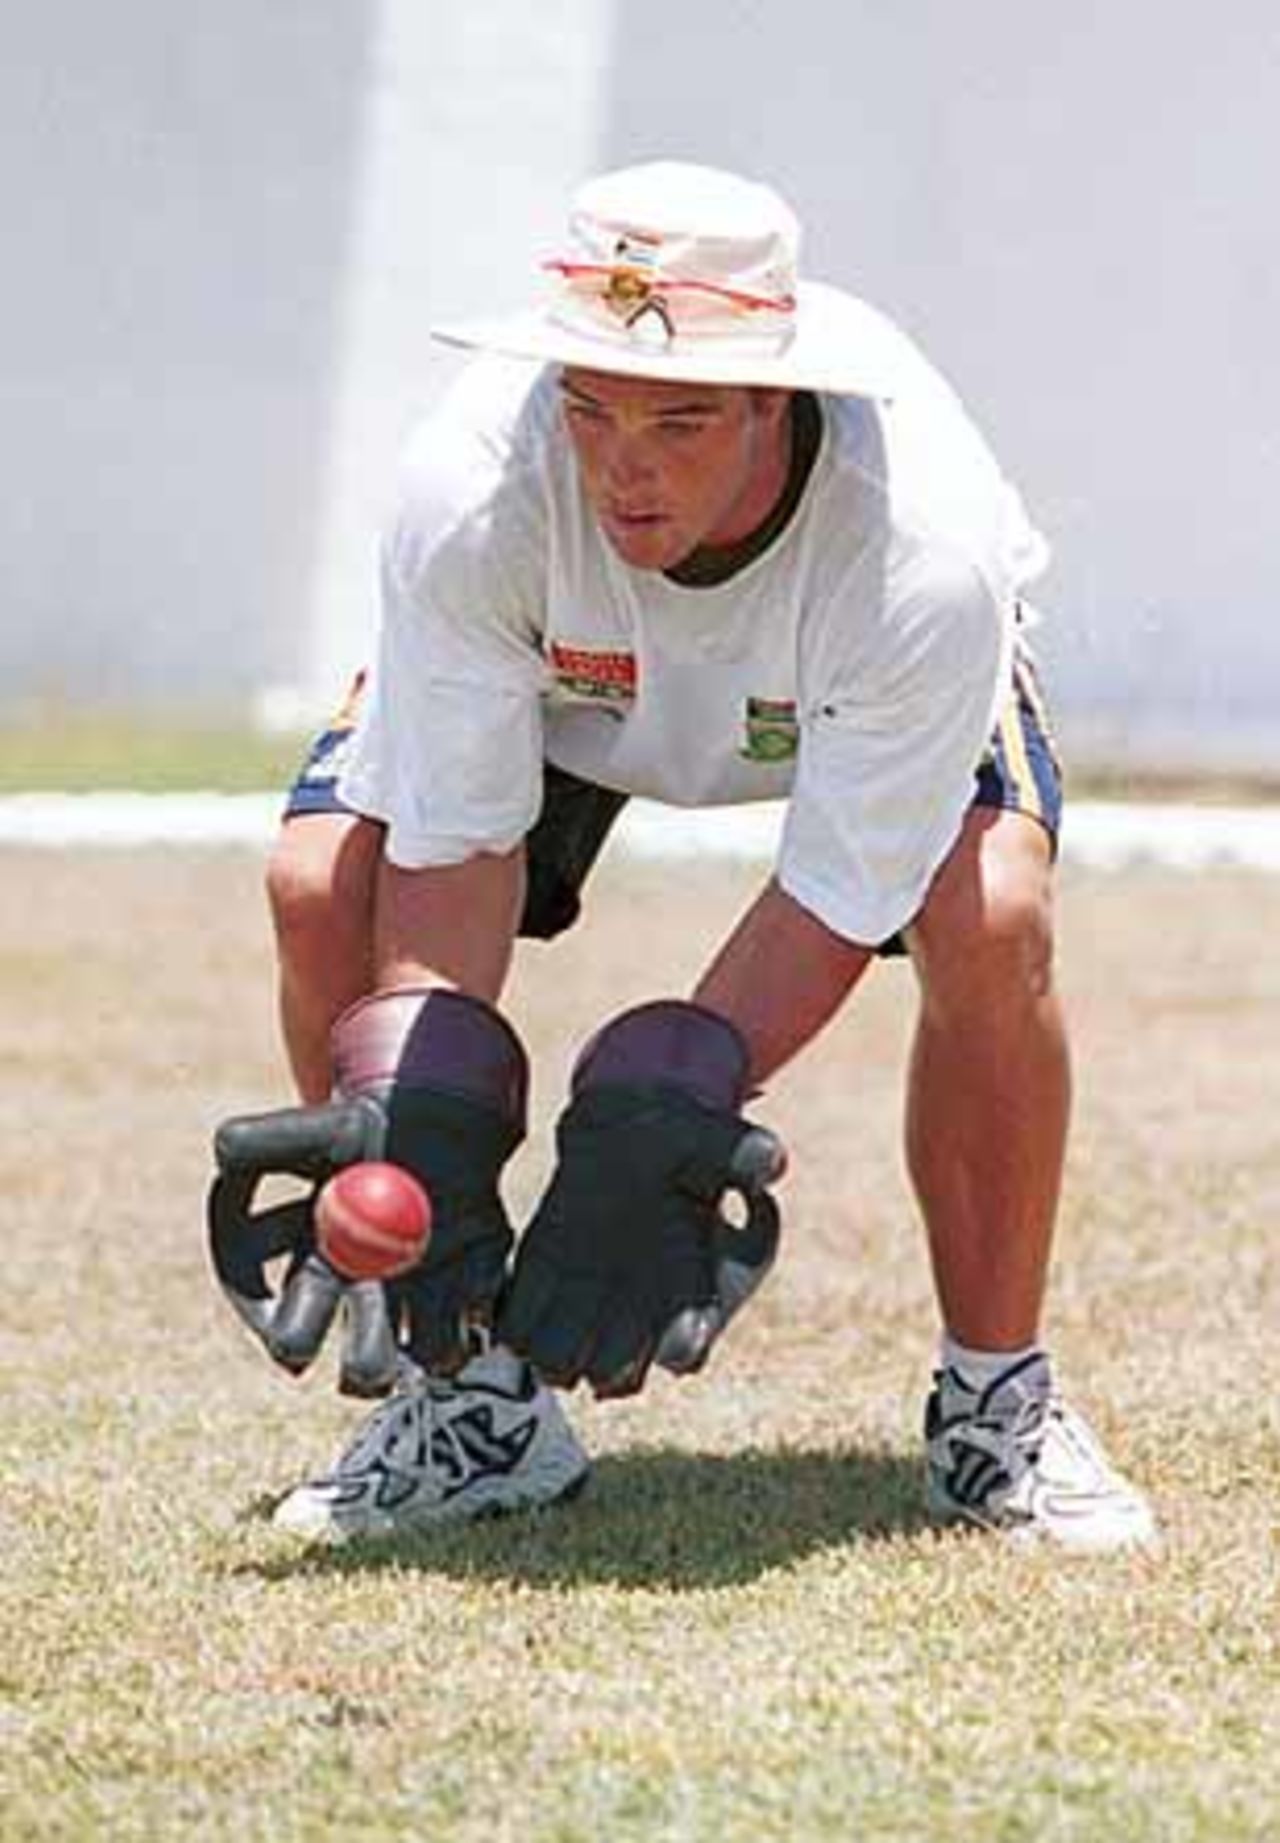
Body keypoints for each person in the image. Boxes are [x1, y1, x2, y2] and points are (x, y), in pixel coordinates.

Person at [241, 160, 1156, 1553]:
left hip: (845, 692)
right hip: (566, 689)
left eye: (680, 419)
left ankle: (997, 1409)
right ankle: (468, 1405)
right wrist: (424, 1094)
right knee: (324, 887)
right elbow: (456, 842)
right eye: (591, 408)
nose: (624, 465)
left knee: (993, 912)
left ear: (772, 407)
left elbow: (840, 894)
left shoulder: (923, 551)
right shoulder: (471, 493)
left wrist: (660, 1113)